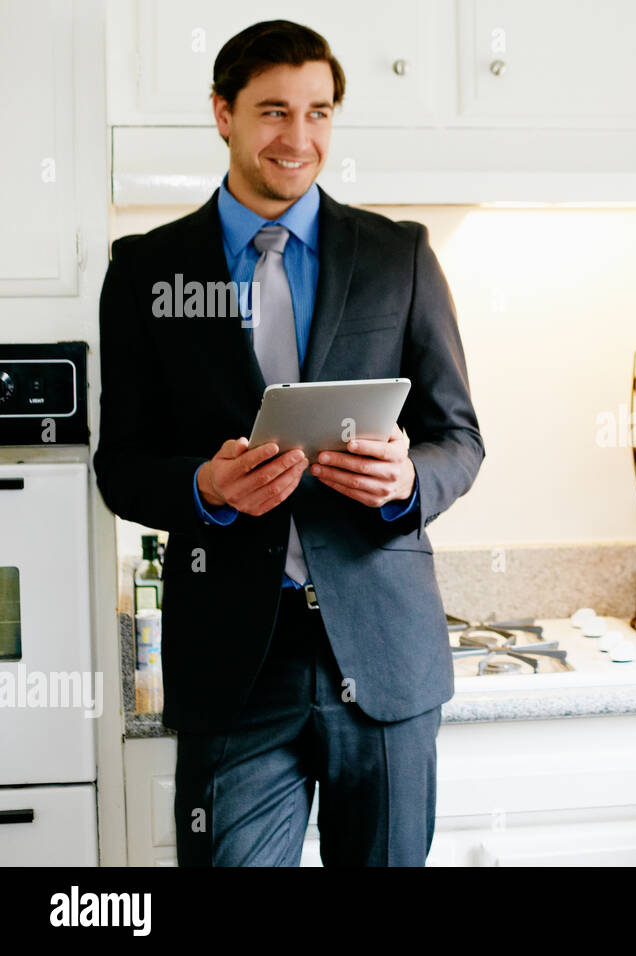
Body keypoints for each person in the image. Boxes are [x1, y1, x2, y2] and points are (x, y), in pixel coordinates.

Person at [94, 20, 484, 865]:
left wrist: (408, 480)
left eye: (319, 112)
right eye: (274, 111)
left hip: (384, 655)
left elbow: (460, 437)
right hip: (234, 665)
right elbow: (119, 465)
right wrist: (205, 486)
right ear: (222, 113)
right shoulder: (146, 271)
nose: (299, 139)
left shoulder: (399, 257)